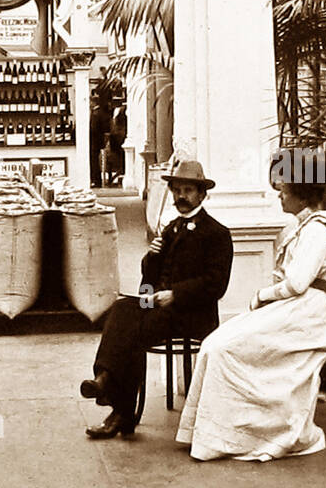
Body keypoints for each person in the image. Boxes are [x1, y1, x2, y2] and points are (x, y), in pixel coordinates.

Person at [175, 179, 326, 461]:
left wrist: (263, 295)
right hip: (293, 308)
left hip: (309, 315)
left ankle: (237, 435)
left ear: (301, 198)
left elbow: (298, 283)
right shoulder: (302, 228)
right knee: (214, 343)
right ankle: (210, 433)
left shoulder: (317, 231)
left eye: (285, 192)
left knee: (224, 349)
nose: (279, 196)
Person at [78, 159, 234, 439]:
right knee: (123, 307)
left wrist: (176, 294)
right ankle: (103, 380)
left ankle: (121, 412)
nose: (180, 196)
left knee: (137, 331)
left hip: (192, 314)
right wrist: (151, 257)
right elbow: (149, 279)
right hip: (159, 307)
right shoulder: (171, 228)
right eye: (176, 190)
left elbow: (216, 284)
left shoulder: (217, 234)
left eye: (187, 190)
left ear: (202, 194)